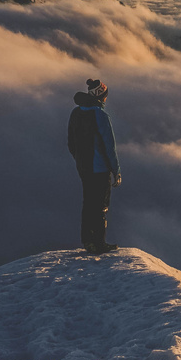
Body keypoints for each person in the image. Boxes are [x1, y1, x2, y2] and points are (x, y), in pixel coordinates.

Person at [67, 78, 122, 253]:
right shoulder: (100, 116)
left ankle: (88, 241)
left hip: (84, 168)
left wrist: (80, 160)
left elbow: (71, 143)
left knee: (88, 203)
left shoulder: (75, 113)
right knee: (100, 206)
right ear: (101, 96)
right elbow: (109, 147)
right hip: (99, 168)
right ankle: (99, 243)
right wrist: (116, 171)